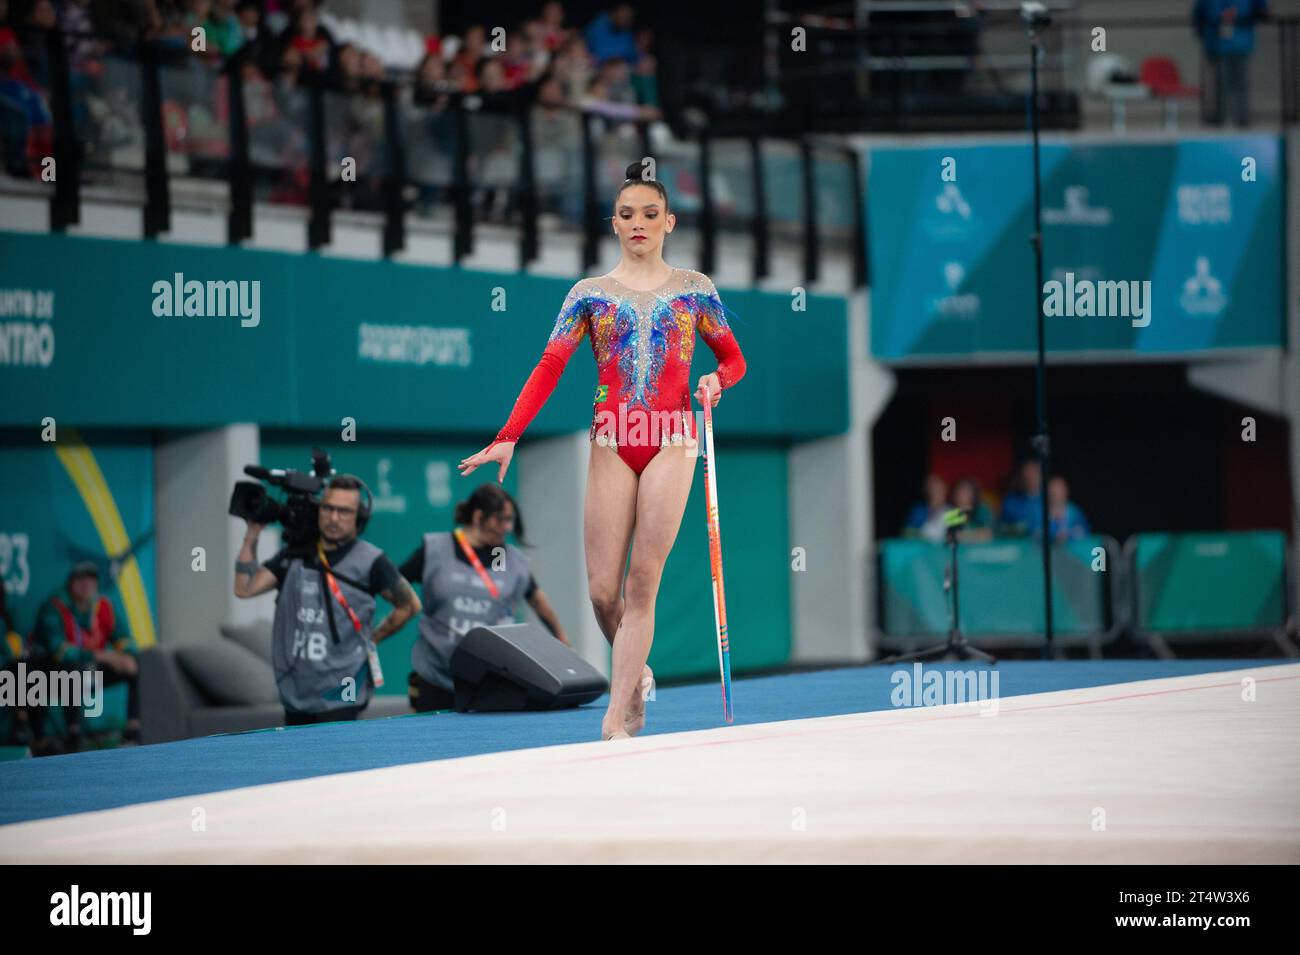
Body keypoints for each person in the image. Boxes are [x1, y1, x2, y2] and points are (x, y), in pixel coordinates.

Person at [458, 162, 747, 740]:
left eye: (648, 214)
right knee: (600, 591)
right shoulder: (589, 295)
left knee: (644, 581)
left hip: (673, 437)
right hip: (613, 438)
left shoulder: (696, 289)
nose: (637, 224)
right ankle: (635, 672)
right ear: (612, 224)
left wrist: (718, 382)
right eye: (626, 215)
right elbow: (550, 366)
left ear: (669, 221)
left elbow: (734, 358)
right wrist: (509, 433)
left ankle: (617, 717)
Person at [234, 474, 422, 726]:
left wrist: (371, 640)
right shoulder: (295, 555)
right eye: (328, 508)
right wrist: (252, 534)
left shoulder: (371, 560)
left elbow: (410, 605)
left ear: (359, 518)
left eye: (344, 511)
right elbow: (244, 588)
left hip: (341, 694)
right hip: (296, 692)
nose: (334, 518)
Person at [401, 483, 570, 713]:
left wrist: (563, 642)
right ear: (479, 516)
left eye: (510, 520)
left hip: (490, 680)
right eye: (501, 519)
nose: (507, 527)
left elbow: (540, 603)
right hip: (436, 676)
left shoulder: (512, 561)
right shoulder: (436, 549)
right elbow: (397, 585)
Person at [28, 562, 140, 747]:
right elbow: (61, 653)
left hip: (88, 670)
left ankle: (134, 731)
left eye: (91, 580)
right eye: (80, 580)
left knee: (135, 664)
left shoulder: (102, 606)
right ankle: (74, 735)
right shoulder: (54, 606)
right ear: (70, 584)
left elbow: (125, 640)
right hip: (47, 674)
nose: (86, 585)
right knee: (73, 670)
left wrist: (128, 655)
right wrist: (105, 656)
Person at [1193, 0, 1269, 127]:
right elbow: (1198, 14)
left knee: (1240, 82)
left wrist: (1241, 16)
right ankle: (1219, 118)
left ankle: (1241, 118)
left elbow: (1262, 10)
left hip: (1240, 42)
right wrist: (1204, 34)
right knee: (1219, 83)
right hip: (1216, 44)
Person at [1028, 476, 1091, 542]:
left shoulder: (1074, 511)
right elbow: (1035, 532)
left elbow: (1085, 530)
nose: (1056, 494)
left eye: (1059, 491)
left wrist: (1070, 534)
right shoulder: (1039, 512)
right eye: (1053, 491)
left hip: (1071, 548)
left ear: (1066, 492)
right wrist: (1053, 534)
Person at [998, 459, 1041, 537]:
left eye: (1035, 472)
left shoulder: (1049, 500)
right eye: (1027, 472)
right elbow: (1001, 527)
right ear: (1022, 475)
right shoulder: (1010, 501)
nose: (1031, 476)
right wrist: (1016, 528)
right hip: (1017, 542)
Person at [902, 473, 948, 543]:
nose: (936, 491)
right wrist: (922, 535)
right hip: (922, 549)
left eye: (939, 488)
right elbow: (907, 532)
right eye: (932, 488)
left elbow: (959, 534)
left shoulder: (952, 510)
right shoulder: (918, 510)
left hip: (944, 551)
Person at [950, 477, 994, 542]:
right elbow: (950, 535)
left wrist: (964, 536)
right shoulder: (952, 512)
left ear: (973, 494)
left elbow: (988, 534)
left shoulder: (981, 509)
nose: (961, 495)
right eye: (959, 492)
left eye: (966, 492)